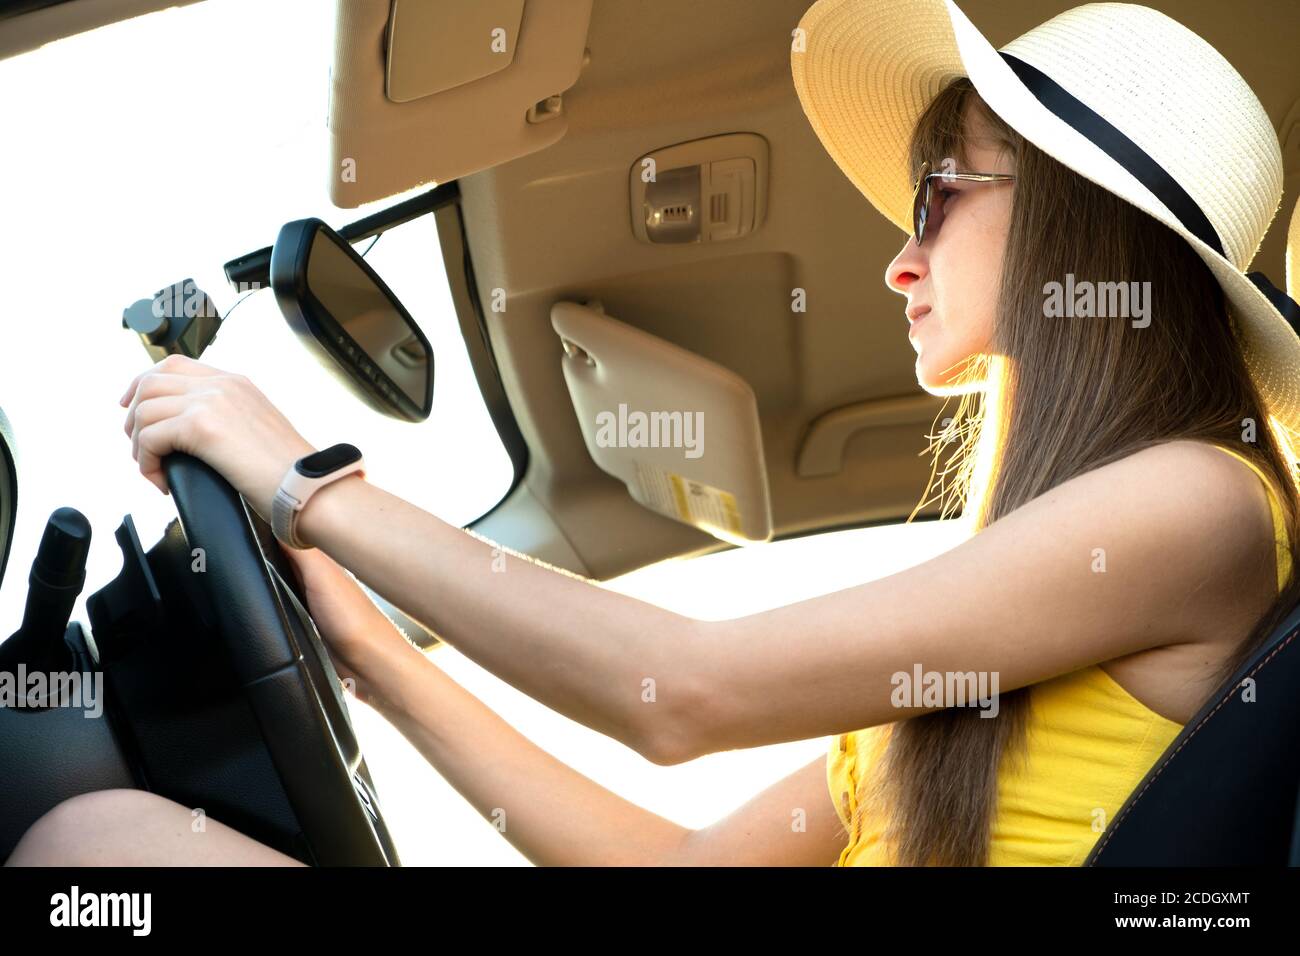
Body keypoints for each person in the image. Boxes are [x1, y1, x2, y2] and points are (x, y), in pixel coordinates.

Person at [8, 0, 1300, 867]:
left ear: (1081, 225)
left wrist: (307, 485)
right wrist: (365, 647)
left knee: (94, 849)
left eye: (936, 195)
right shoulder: (981, 665)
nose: (899, 265)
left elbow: (679, 692)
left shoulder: (1205, 500)